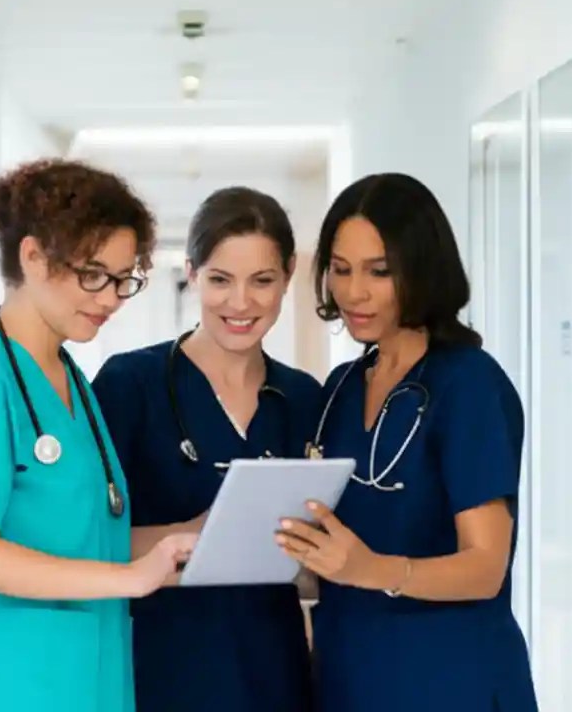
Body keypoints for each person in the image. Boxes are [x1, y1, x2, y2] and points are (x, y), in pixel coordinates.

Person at [0, 159, 197, 712]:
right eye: (93, 275)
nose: (110, 298)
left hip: (84, 682)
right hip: (1, 684)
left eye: (124, 279)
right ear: (32, 256)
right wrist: (131, 579)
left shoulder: (71, 381)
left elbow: (87, 539)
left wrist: (190, 538)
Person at [276, 173, 539, 711]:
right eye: (341, 269)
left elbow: (485, 567)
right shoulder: (340, 390)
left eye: (380, 271)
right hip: (352, 678)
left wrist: (371, 569)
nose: (354, 292)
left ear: (422, 269)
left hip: (449, 681)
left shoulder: (468, 384)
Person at [91, 186, 321, 712]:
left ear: (288, 275)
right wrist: (201, 533)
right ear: (192, 274)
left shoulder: (304, 398)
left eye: (262, 280)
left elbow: (316, 565)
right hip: (163, 671)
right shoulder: (131, 385)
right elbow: (86, 540)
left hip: (275, 673)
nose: (240, 303)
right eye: (220, 279)